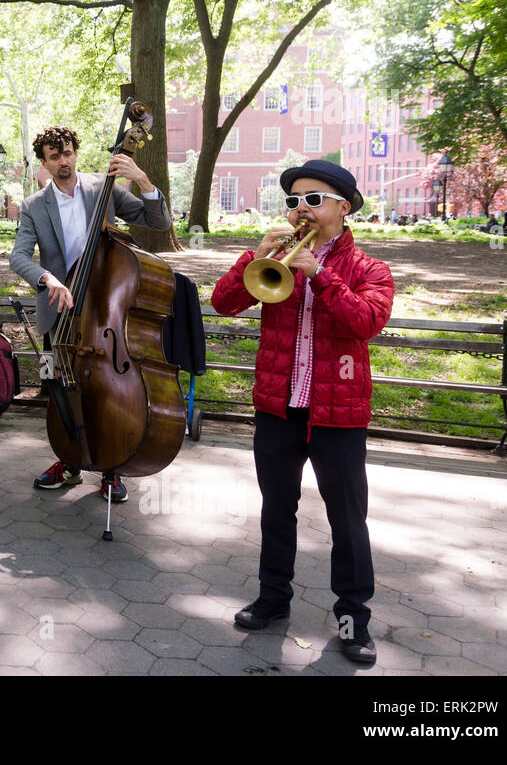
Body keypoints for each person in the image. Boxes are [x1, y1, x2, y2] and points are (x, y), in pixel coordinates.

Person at [211, 159, 393, 665]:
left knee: (348, 519)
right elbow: (223, 303)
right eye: (293, 201)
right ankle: (273, 599)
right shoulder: (278, 257)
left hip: (338, 414)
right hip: (278, 407)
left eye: (312, 199)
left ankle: (353, 618)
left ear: (342, 206)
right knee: (276, 508)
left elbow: (366, 323)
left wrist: (324, 277)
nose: (300, 209)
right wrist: (256, 256)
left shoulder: (369, 269)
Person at [8, 124, 174, 502]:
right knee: (59, 388)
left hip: (104, 309)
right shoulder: (35, 206)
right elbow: (18, 256)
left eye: (67, 153)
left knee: (108, 390)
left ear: (75, 152)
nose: (63, 162)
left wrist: (143, 181)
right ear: (44, 163)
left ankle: (112, 468)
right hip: (60, 314)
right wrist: (48, 278)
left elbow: (159, 223)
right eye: (54, 157)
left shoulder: (104, 188)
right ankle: (68, 461)